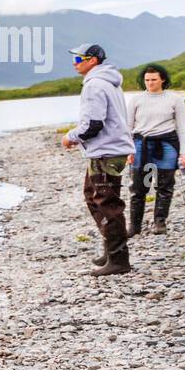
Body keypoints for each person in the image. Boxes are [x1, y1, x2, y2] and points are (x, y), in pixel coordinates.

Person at [60, 43, 134, 276]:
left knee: (107, 204)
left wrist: (70, 137)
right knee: (93, 198)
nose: (75, 63)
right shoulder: (108, 82)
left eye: (79, 59)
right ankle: (110, 251)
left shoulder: (95, 84)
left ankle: (119, 260)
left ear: (93, 60)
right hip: (107, 150)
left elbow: (93, 124)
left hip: (106, 151)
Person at [127, 63, 185, 236]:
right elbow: (128, 127)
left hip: (167, 144)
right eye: (147, 80)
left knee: (165, 185)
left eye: (154, 79)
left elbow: (182, 127)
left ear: (162, 79)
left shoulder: (174, 99)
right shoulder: (136, 100)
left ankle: (160, 222)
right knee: (138, 187)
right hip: (141, 144)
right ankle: (134, 226)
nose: (150, 83)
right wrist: (128, 151)